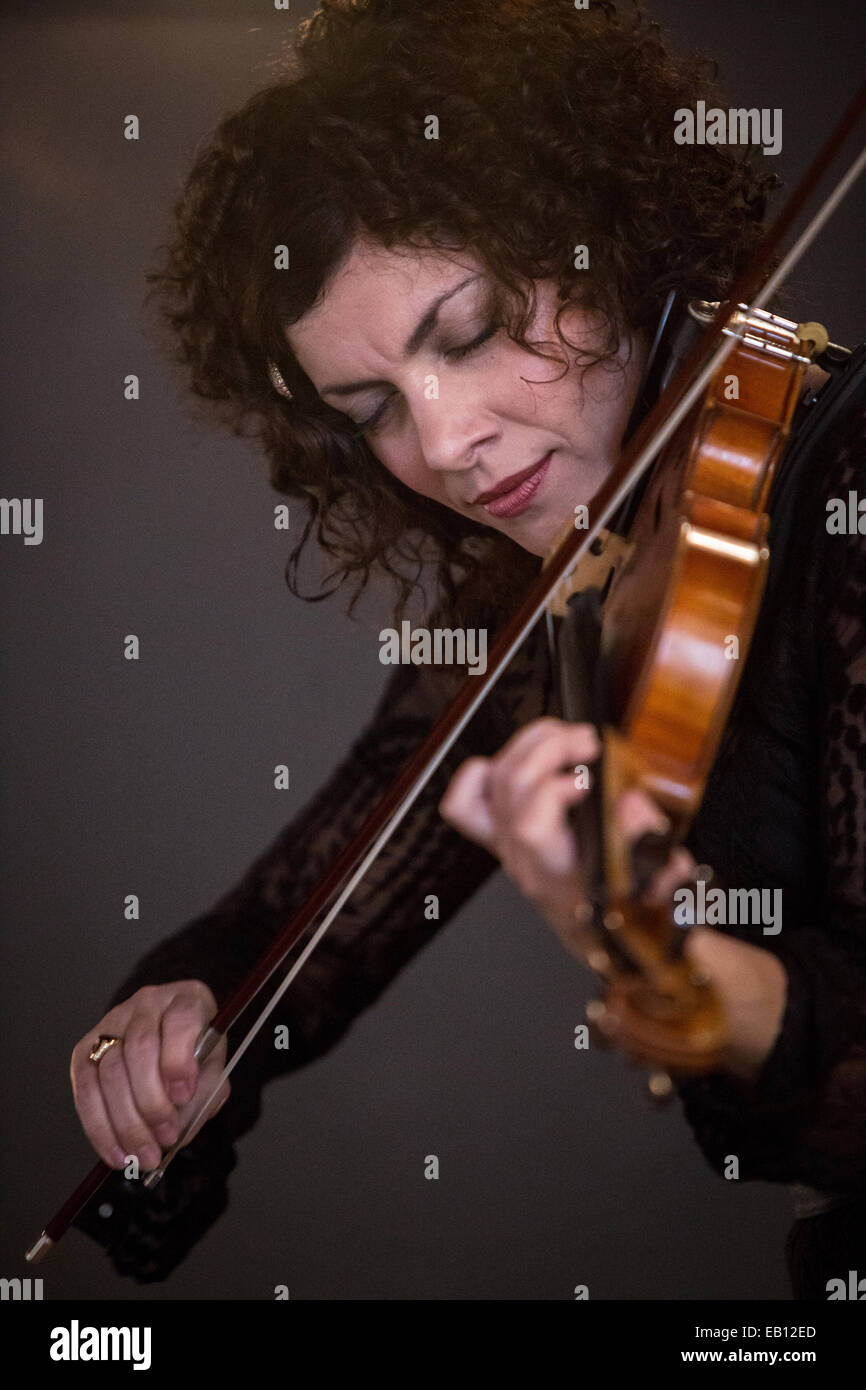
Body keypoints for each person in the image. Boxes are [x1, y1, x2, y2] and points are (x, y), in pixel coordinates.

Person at [67, 0, 866, 1296]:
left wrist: (689, 976)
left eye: (473, 324)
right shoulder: (557, 587)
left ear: (599, 224)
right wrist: (175, 1015)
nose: (440, 445)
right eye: (371, 405)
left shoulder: (846, 490)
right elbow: (314, 901)